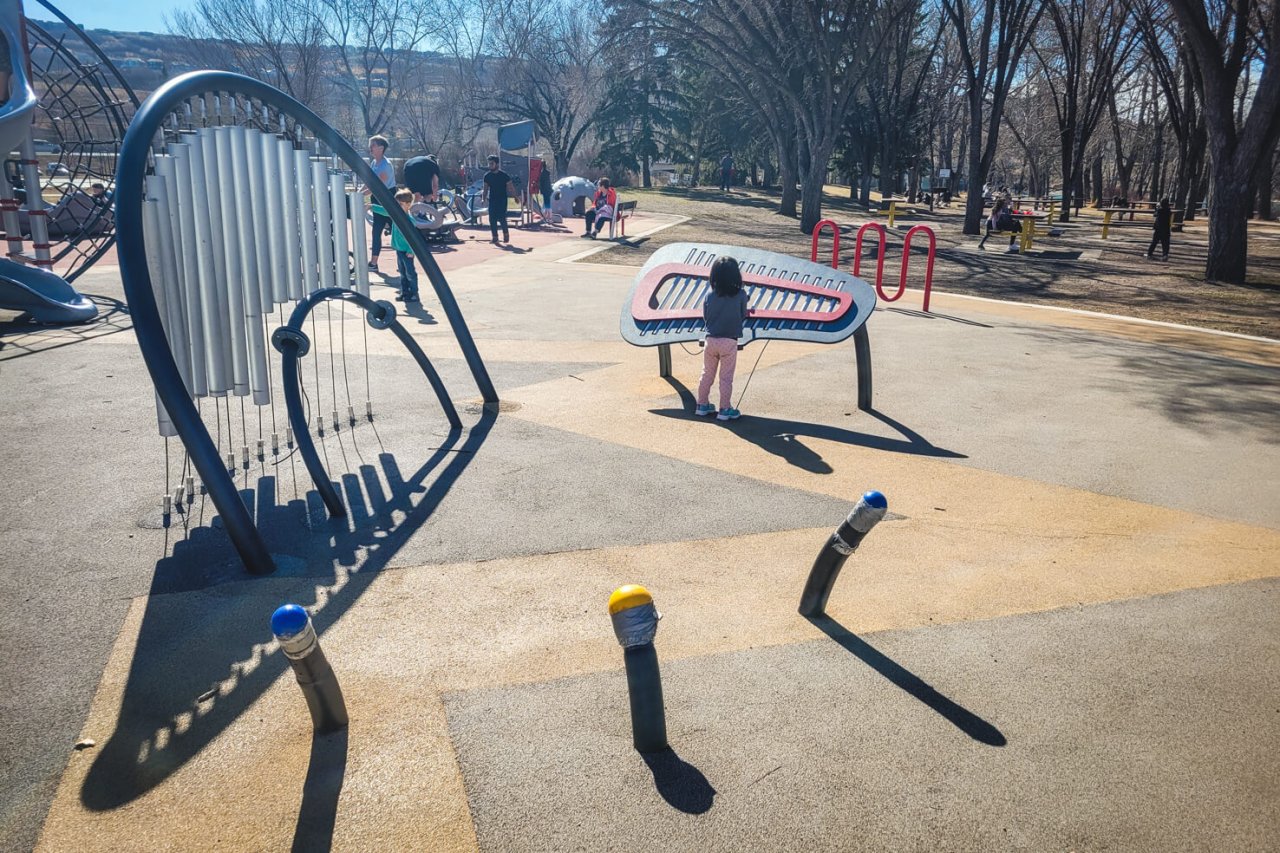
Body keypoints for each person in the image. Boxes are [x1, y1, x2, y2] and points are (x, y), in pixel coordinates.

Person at [695, 256, 751, 421]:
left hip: (710, 340)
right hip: (729, 341)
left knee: (706, 374)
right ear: (736, 276)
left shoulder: (709, 296)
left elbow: (706, 316)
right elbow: (742, 314)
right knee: (725, 378)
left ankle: (702, 405)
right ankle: (724, 409)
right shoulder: (741, 294)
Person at [365, 135, 396, 271]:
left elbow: (377, 185)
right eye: (370, 145)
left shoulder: (386, 165)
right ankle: (373, 263)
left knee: (399, 231)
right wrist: (357, 193)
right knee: (376, 231)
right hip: (377, 199)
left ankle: (407, 257)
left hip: (388, 200)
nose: (370, 148)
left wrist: (361, 195)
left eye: (373, 145)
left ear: (381, 148)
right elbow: (369, 182)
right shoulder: (374, 163)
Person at [389, 189, 419, 303]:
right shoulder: (396, 216)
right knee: (402, 272)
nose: (397, 207)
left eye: (400, 204)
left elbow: (414, 238)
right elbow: (385, 210)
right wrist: (372, 207)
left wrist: (411, 250)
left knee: (410, 272)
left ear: (408, 205)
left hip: (407, 251)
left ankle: (414, 293)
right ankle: (405, 292)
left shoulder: (410, 220)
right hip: (399, 249)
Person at [481, 154, 516, 243]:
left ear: (496, 164)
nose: (490, 166)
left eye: (491, 164)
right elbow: (485, 189)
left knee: (501, 218)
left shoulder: (504, 175)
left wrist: (515, 196)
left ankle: (506, 234)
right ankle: (495, 237)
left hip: (502, 200)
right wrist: (483, 198)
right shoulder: (487, 176)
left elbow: (511, 187)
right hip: (492, 200)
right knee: (492, 219)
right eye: (489, 164)